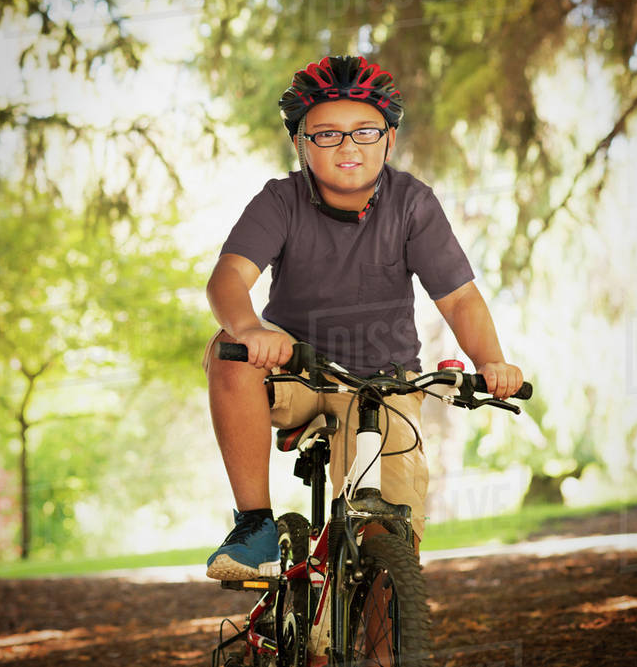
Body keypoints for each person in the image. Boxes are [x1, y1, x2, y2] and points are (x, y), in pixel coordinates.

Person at [203, 55, 524, 582]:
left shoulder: (413, 203)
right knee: (229, 352)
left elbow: (460, 298)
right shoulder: (280, 200)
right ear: (301, 143)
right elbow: (227, 280)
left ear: (389, 140)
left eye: (364, 132)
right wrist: (249, 329)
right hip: (295, 367)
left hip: (382, 383)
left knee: (388, 542)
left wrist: (491, 361)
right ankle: (254, 524)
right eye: (326, 134)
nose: (348, 147)